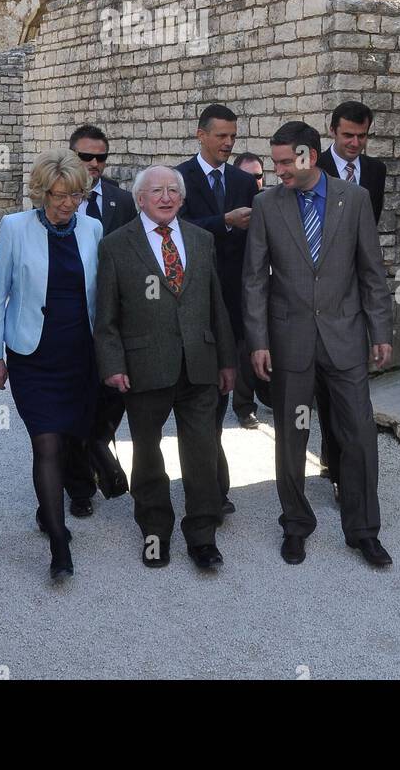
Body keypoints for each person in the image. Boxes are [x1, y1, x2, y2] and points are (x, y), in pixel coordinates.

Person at [243, 121, 394, 569]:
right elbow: (254, 280)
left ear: (310, 155)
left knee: (359, 436)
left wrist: (380, 331)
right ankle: (295, 525)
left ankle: (364, 531)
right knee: (291, 437)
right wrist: (258, 341)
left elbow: (372, 272)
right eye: (275, 163)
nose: (280, 171)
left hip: (345, 339)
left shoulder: (356, 200)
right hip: (289, 342)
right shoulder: (266, 204)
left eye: (287, 162)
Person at [95, 166, 236, 571]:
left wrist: (227, 361)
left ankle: (203, 537)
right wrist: (112, 364)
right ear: (140, 199)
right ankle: (155, 531)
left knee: (202, 453)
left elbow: (217, 307)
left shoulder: (201, 239)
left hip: (199, 365)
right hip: (144, 368)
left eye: (173, 190)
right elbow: (105, 317)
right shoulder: (116, 246)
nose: (166, 196)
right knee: (148, 454)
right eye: (156, 190)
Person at [0, 150, 102, 582]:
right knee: (46, 444)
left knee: (73, 436)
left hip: (79, 353)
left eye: (75, 195)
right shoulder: (16, 227)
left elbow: (101, 295)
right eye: (58, 196)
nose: (67, 204)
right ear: (40, 193)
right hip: (33, 354)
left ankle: (53, 502)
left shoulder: (93, 228)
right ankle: (58, 541)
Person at [175, 104, 259, 512]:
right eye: (221, 136)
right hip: (192, 305)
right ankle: (210, 488)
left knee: (220, 395)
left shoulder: (245, 182)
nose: (228, 143)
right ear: (200, 134)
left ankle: (210, 484)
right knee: (199, 399)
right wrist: (223, 221)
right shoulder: (179, 179)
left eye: (233, 136)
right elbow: (179, 231)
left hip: (234, 304)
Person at [316, 101, 388, 497]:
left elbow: (368, 234)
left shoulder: (376, 172)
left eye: (362, 136)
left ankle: (348, 470)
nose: (355, 143)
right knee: (325, 385)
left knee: (349, 379)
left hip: (356, 291)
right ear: (332, 131)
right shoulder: (316, 169)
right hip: (318, 293)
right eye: (348, 135)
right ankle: (332, 456)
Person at [65, 122, 136, 511]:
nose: (94, 164)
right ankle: (78, 488)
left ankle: (96, 446)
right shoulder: (57, 197)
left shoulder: (121, 201)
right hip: (71, 318)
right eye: (85, 156)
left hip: (114, 319)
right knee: (75, 400)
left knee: (113, 396)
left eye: (100, 157)